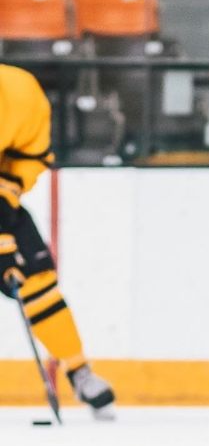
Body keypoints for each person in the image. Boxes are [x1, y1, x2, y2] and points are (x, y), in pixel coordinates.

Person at [1, 63, 116, 419]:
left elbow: (31, 159)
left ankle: (79, 371)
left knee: (37, 277)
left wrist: (6, 203)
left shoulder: (21, 91)